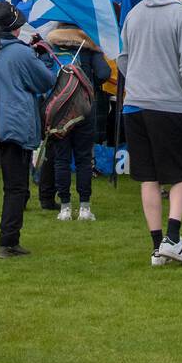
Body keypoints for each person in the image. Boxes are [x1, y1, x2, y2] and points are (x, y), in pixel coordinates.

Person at [119, 0, 182, 264]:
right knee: (181, 173)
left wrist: (140, 82)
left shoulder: (134, 13)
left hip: (135, 104)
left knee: (148, 176)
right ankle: (173, 238)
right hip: (169, 104)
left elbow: (123, 59)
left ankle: (157, 246)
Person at [0, 2, 56, 256]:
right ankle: (8, 241)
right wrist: (42, 58)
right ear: (14, 28)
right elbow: (46, 81)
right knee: (15, 187)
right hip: (13, 125)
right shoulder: (21, 53)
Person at [49, 25, 110, 222]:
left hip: (59, 111)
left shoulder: (51, 48)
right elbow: (103, 74)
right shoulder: (88, 49)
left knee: (61, 159)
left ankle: (65, 207)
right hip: (85, 109)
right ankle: (84, 207)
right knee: (84, 159)